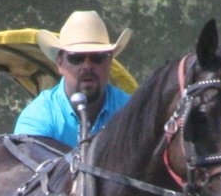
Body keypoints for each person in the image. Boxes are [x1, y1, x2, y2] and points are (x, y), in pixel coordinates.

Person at [14, 10, 133, 149]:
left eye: (98, 57)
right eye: (76, 58)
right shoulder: (38, 116)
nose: (87, 66)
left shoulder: (131, 112)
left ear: (110, 62)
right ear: (59, 63)